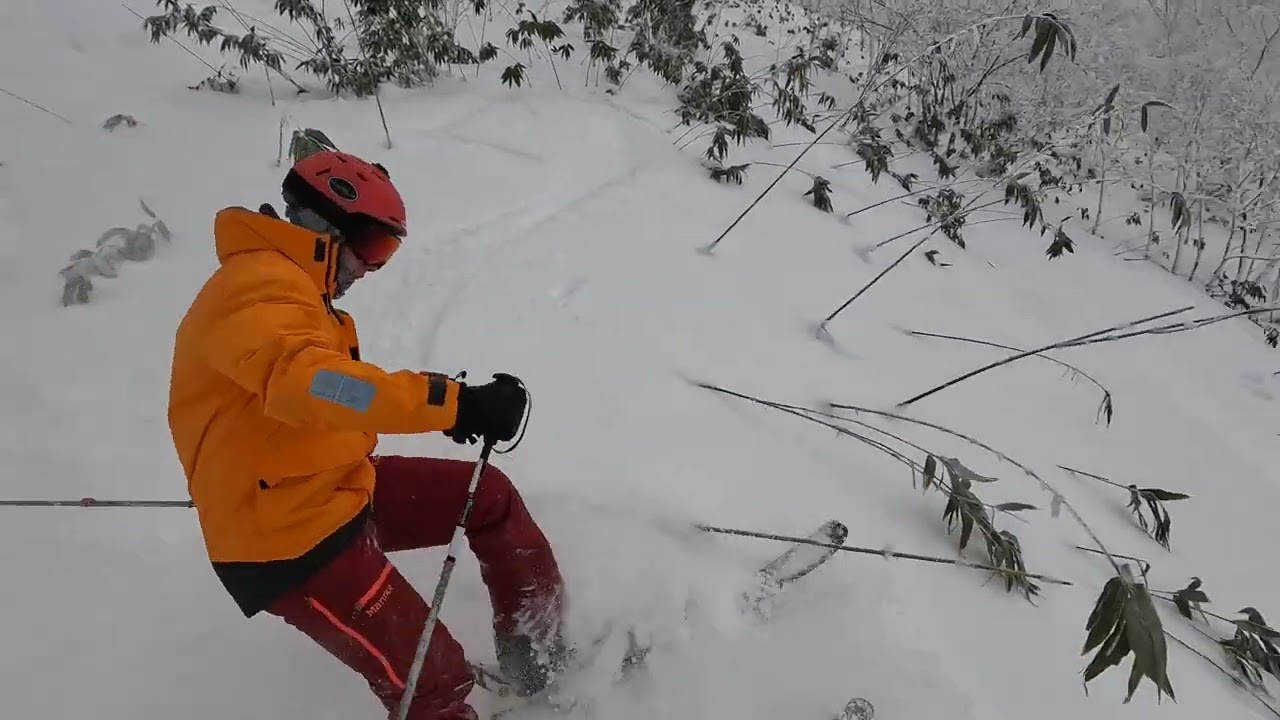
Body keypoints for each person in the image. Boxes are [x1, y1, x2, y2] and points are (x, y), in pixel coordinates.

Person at [166, 150, 568, 720]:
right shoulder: (256, 286)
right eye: (374, 249)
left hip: (333, 488)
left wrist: (450, 407)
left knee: (491, 498)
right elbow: (316, 385)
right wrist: (453, 404)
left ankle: (540, 657)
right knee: (432, 680)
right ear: (327, 229)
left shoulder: (294, 288)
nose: (370, 270)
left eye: (387, 254)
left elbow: (316, 397)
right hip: (288, 539)